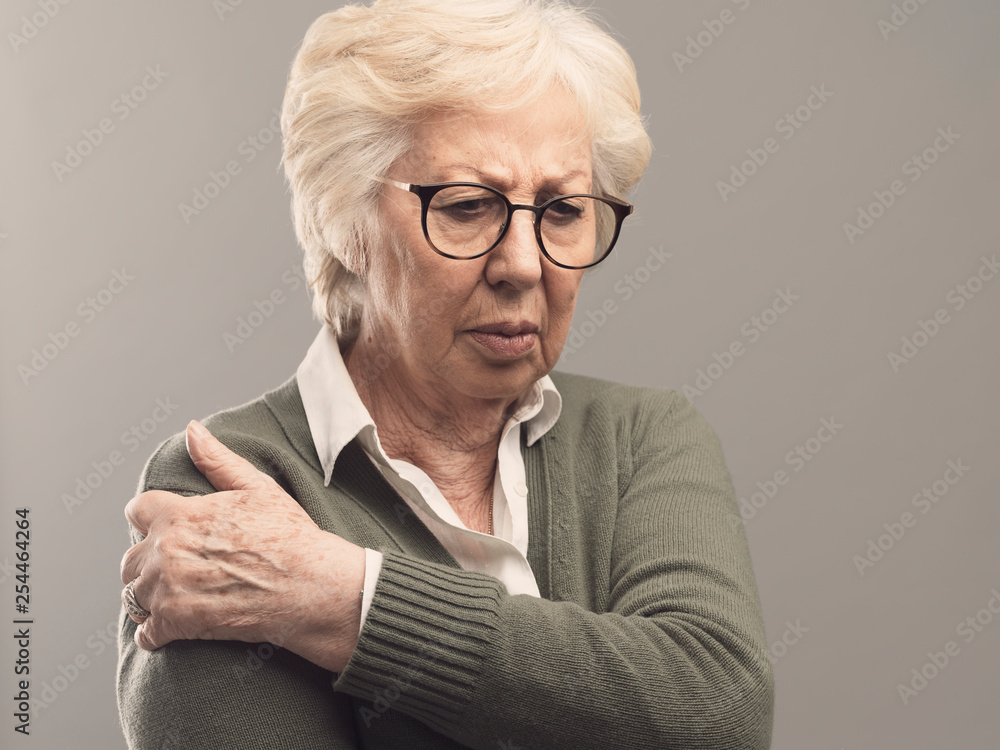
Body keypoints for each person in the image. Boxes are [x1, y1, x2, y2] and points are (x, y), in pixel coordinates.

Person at [116, 1, 774, 748]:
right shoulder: (227, 488)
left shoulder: (643, 440)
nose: (524, 264)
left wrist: (337, 595)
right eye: (467, 206)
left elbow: (717, 712)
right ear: (344, 219)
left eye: (562, 210)